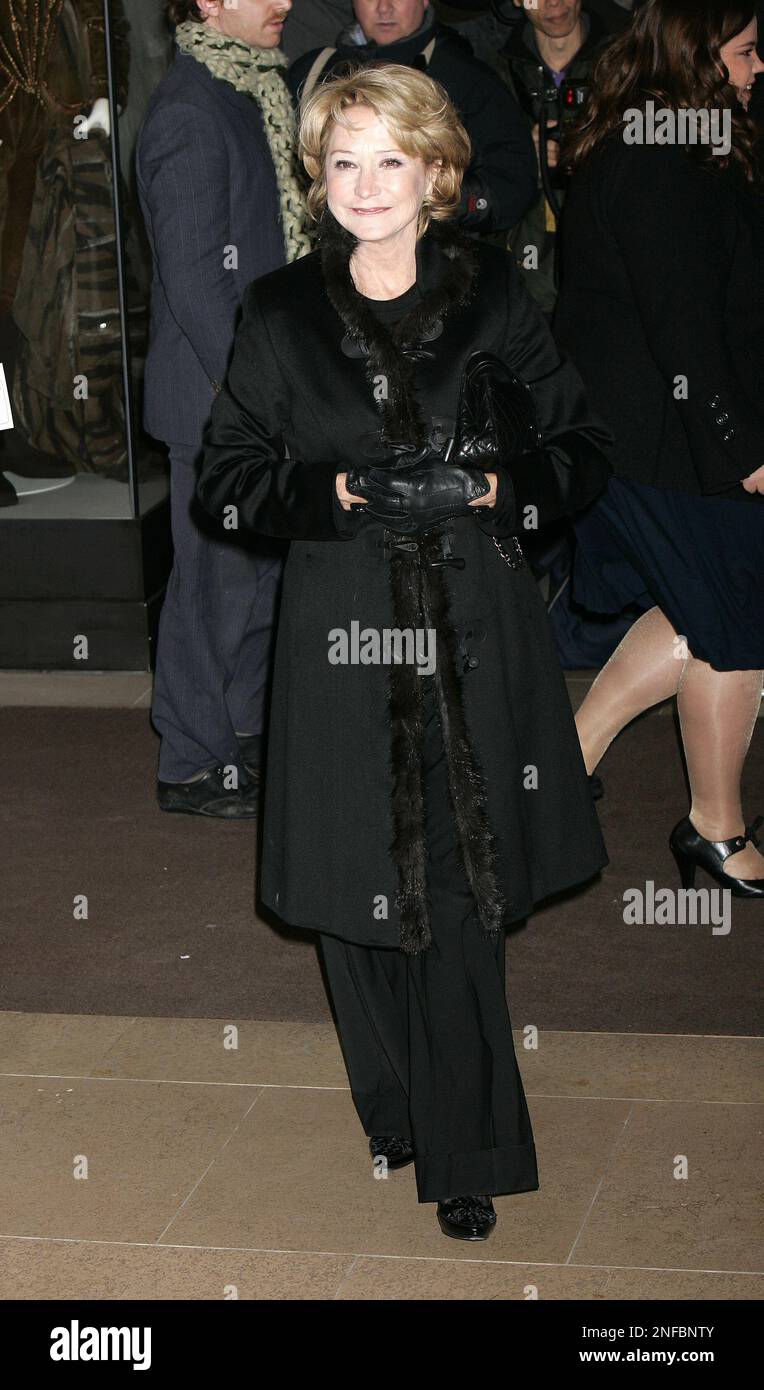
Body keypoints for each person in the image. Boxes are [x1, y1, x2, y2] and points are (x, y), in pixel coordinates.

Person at [195, 63, 612, 1239]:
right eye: (343, 161)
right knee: (349, 892)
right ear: (316, 177)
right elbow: (223, 486)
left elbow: (582, 448)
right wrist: (329, 490)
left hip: (475, 634)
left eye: (391, 160)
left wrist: (488, 485)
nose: (367, 185)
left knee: (454, 886)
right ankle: (396, 1105)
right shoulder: (278, 313)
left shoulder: (492, 298)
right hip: (337, 642)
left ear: (434, 173)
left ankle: (468, 1146)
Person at [554, 0, 764, 898]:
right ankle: (715, 831)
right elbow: (684, 330)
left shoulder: (685, 137)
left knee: (698, 608)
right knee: (737, 622)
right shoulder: (656, 154)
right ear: (699, 51)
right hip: (659, 439)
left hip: (664, 433)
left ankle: (560, 764)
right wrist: (743, 450)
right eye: (750, 49)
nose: (761, 66)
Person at [136, 0, 312, 817]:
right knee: (211, 588)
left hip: (251, 391)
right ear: (209, 3)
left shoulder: (248, 91)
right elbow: (198, 283)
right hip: (218, 401)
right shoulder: (191, 109)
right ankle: (192, 761)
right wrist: (253, 396)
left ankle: (238, 731)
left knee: (255, 584)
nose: (284, 3)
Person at [288, 0, 538, 237]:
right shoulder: (312, 73)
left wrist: (428, 196)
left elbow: (512, 184)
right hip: (321, 257)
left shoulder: (467, 78)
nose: (384, 7)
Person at [499, 0, 628, 314]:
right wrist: (521, 163)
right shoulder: (495, 72)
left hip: (609, 278)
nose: (553, 2)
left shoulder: (625, 64)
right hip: (527, 286)